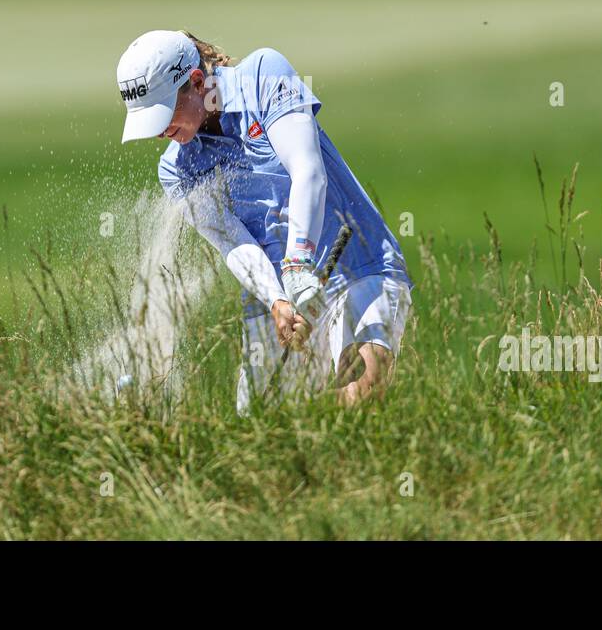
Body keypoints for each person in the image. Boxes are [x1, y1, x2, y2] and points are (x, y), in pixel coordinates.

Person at [116, 29, 412, 412]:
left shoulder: (262, 75)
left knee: (363, 393)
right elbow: (234, 243)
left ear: (195, 82)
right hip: (277, 302)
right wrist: (277, 300)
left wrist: (298, 265)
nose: (158, 132)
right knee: (261, 426)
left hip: (356, 266)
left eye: (164, 112)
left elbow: (308, 171)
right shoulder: (176, 169)